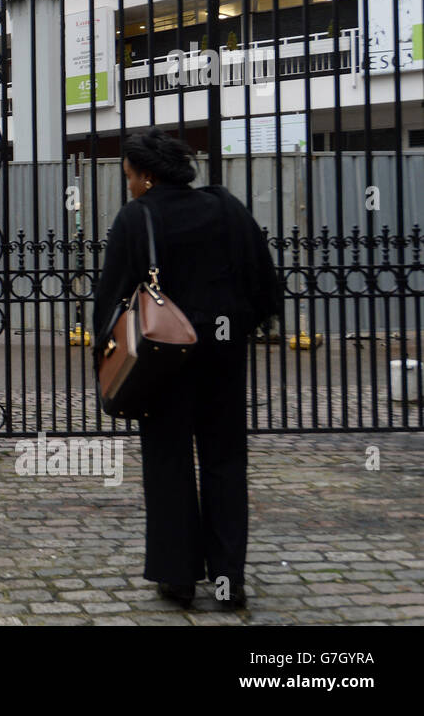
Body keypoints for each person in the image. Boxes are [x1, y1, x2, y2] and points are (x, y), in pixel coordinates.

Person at [93, 128, 280, 611]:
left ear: (148, 176)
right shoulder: (225, 206)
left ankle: (177, 579)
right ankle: (228, 581)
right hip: (222, 354)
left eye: (130, 176)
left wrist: (107, 358)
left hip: (161, 360)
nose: (129, 184)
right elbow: (264, 281)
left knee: (168, 461)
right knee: (224, 461)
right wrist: (237, 328)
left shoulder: (137, 218)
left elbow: (110, 300)